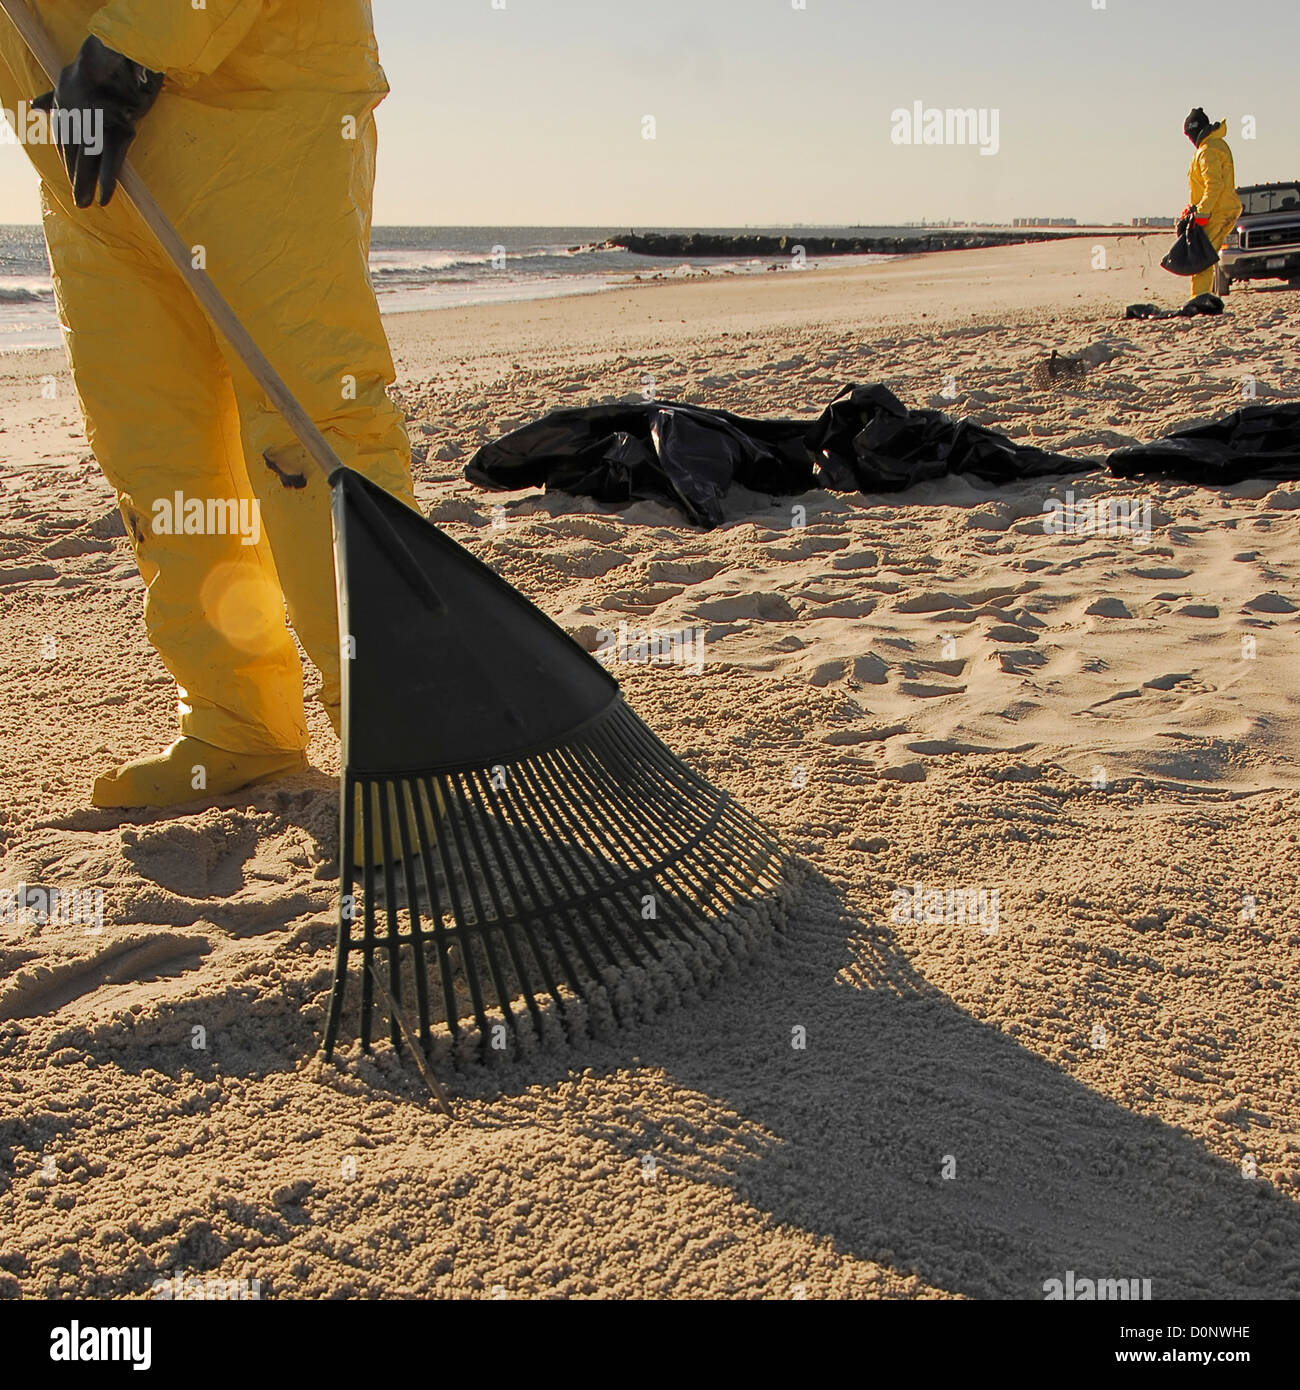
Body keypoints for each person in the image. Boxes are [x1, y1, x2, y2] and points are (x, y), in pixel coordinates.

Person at [0, 2, 417, 808]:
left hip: (255, 112)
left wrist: (128, 51)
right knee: (159, 452)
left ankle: (404, 731)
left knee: (310, 429)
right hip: (84, 149)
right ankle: (238, 720)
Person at [1181, 107, 1243, 299]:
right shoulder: (1217, 145)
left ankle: (1199, 299)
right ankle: (1205, 297)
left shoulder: (1207, 151)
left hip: (1217, 212)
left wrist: (1201, 213)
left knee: (1201, 259)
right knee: (1207, 258)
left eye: (1190, 135)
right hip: (1221, 209)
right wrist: (1195, 208)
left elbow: (1214, 185)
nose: (1190, 140)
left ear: (1195, 131)